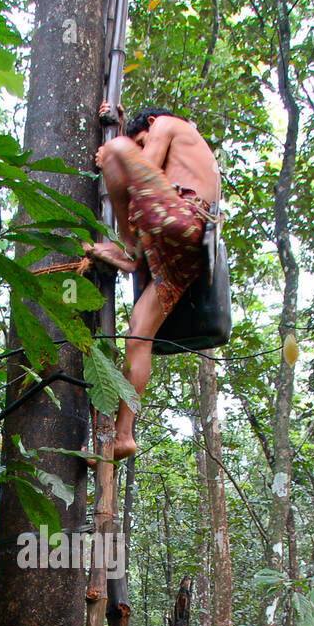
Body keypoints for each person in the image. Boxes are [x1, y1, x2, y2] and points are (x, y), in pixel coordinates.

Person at [85, 106, 222, 460]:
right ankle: (124, 435)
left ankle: (130, 246)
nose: (145, 144)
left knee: (115, 151)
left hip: (184, 217)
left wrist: (116, 146)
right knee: (137, 335)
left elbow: (143, 167)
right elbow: (150, 175)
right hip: (181, 252)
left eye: (142, 139)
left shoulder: (166, 124)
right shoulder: (185, 152)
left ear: (149, 124)